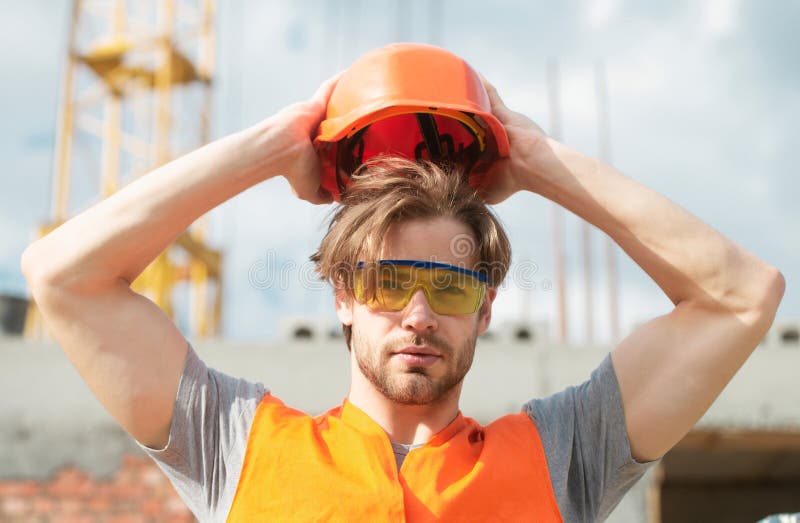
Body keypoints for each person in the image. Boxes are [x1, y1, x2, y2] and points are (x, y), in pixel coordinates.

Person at [21, 71, 784, 522]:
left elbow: (742, 295)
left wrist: (539, 159)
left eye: (449, 286)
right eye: (390, 282)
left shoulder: (564, 456)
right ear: (345, 296)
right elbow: (62, 275)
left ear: (486, 309)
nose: (418, 315)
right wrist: (273, 146)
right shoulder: (237, 445)